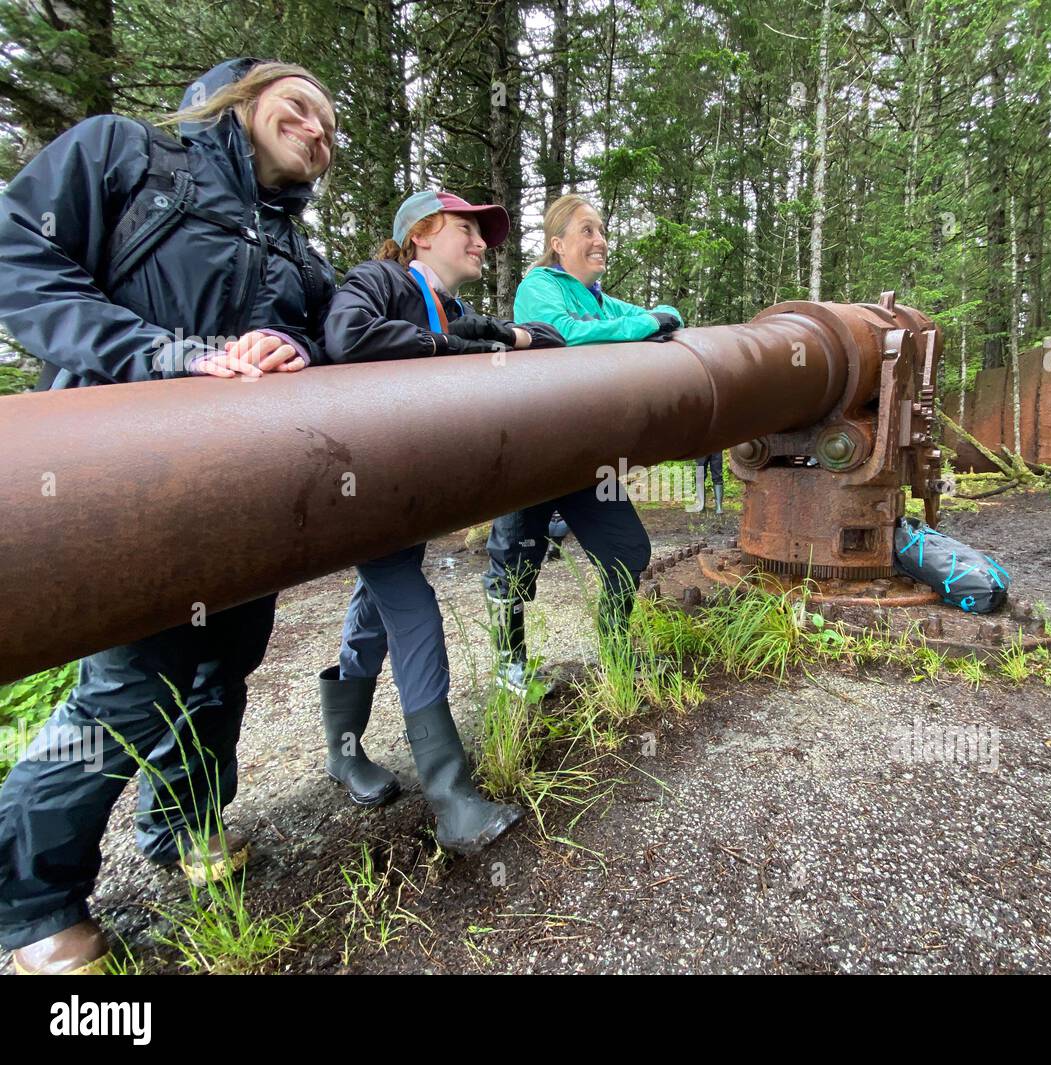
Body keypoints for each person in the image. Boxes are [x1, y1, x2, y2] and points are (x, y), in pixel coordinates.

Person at [0, 59, 337, 974]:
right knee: (125, 687)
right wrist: (161, 351)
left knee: (227, 661)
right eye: (299, 105)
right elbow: (18, 254)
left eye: (330, 128)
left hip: (241, 492)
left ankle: (184, 827)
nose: (317, 130)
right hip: (117, 479)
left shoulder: (298, 248)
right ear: (238, 96)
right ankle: (30, 900)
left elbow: (319, 337)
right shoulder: (124, 154)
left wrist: (289, 345)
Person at [319, 190, 563, 853]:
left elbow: (550, 339)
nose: (482, 243)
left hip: (417, 490)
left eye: (484, 234)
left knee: (374, 607)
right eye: (467, 230)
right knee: (412, 608)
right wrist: (448, 343)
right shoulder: (383, 281)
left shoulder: (455, 307)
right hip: (367, 482)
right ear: (421, 234)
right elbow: (347, 336)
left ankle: (343, 752)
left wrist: (499, 333)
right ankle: (453, 798)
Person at [484, 194, 680, 693]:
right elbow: (565, 336)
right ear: (557, 244)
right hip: (536, 450)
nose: (601, 240)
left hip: (588, 457)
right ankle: (511, 671)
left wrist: (655, 318)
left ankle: (616, 655)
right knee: (514, 560)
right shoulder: (539, 286)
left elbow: (659, 313)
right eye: (587, 231)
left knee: (627, 549)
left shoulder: (598, 296)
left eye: (602, 231)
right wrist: (641, 326)